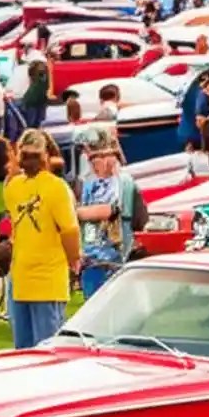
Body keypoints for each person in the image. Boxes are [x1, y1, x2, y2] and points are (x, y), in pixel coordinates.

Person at [3, 129, 80, 349]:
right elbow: (69, 230)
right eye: (25, 155)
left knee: (37, 349)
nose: (29, 161)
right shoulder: (53, 188)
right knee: (34, 350)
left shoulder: (21, 187)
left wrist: (73, 259)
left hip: (41, 279)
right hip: (30, 278)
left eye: (33, 156)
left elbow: (69, 230)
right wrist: (74, 260)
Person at [75, 128, 127, 298]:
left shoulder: (118, 181)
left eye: (95, 159)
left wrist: (75, 212)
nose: (92, 165)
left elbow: (108, 210)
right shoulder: (91, 184)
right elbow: (88, 219)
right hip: (91, 258)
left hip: (111, 257)